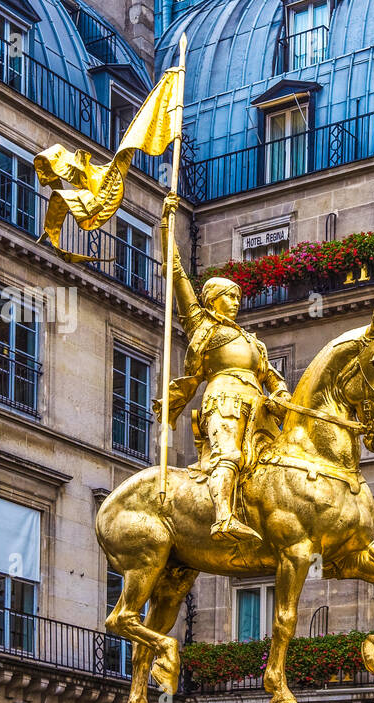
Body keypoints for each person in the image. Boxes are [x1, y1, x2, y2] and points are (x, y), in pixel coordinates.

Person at [154, 191, 289, 545]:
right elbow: (177, 275)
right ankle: (223, 518)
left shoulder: (251, 340)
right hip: (224, 399)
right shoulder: (202, 325)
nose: (235, 303)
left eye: (238, 298)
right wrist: (168, 225)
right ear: (213, 299)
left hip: (258, 406)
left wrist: (280, 395)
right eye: (229, 296)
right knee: (228, 454)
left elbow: (272, 376)